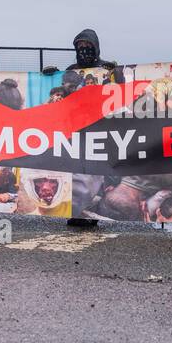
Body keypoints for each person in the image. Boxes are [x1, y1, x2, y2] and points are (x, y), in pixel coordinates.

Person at [57, 29, 123, 228]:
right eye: (80, 47)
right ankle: (75, 213)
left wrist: (115, 73)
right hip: (77, 127)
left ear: (96, 48)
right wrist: (51, 76)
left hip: (100, 126)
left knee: (98, 169)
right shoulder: (71, 69)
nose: (84, 50)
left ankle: (95, 209)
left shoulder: (106, 68)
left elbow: (121, 91)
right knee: (76, 169)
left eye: (88, 46)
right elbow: (62, 92)